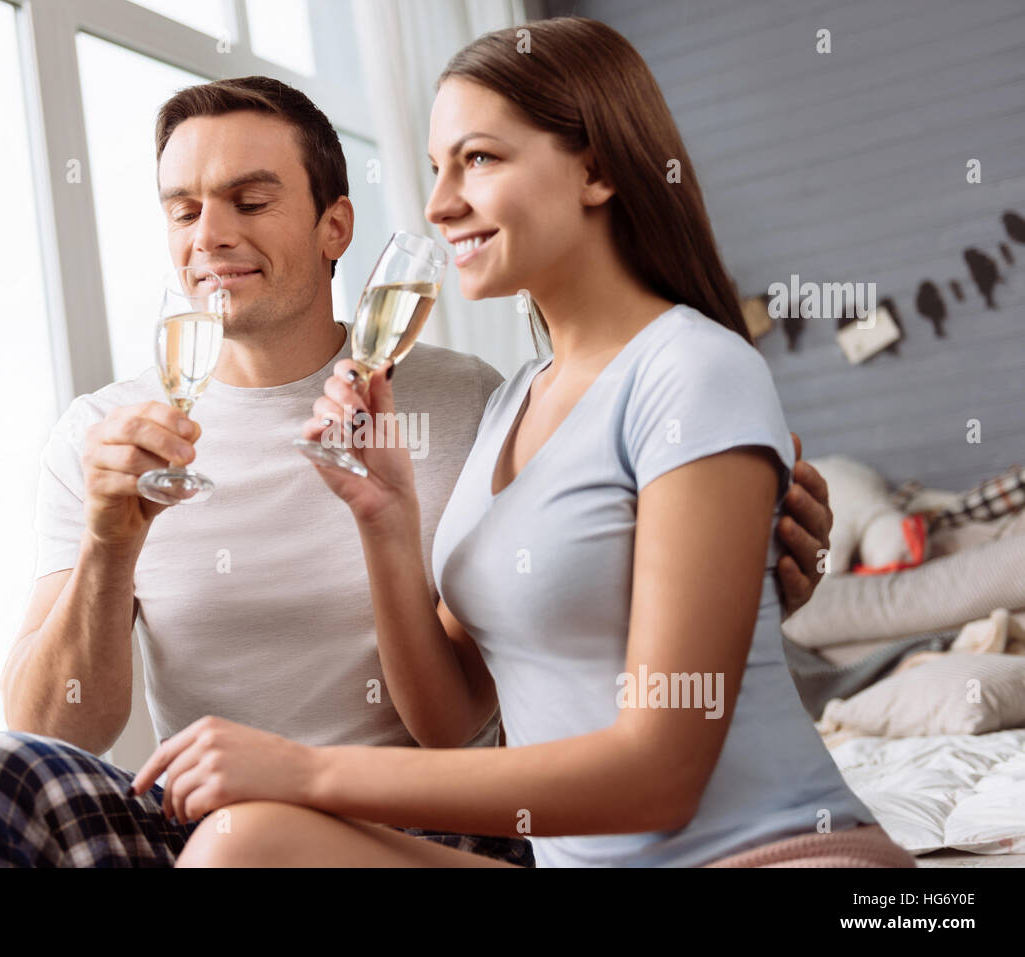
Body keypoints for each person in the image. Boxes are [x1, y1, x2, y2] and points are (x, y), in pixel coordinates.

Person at [0, 71, 833, 868]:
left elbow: (554, 647)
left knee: (244, 846)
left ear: (336, 227)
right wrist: (105, 548)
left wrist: (739, 572)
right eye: (184, 210)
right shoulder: (105, 435)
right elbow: (58, 726)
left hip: (443, 821)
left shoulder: (473, 402)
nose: (209, 235)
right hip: (200, 815)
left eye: (251, 202)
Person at [127, 19, 915, 869]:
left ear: (598, 169)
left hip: (772, 856)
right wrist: (386, 522)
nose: (438, 204)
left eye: (480, 160)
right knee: (241, 843)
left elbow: (660, 773)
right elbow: (453, 721)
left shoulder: (693, 369)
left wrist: (307, 769)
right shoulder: (509, 406)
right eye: (436, 169)